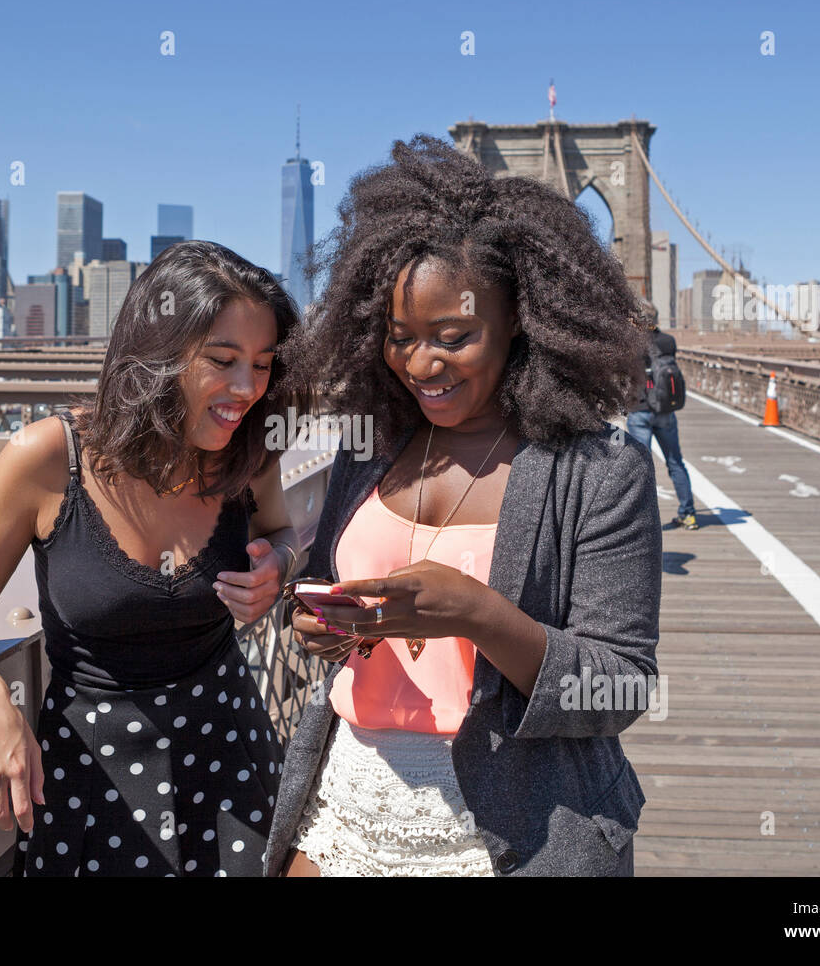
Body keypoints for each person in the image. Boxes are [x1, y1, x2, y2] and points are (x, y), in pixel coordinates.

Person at [262, 134, 663, 876]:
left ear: (521, 322)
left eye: (453, 336)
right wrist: (316, 623)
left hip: (517, 824)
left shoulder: (600, 473)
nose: (421, 364)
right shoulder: (371, 448)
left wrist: (476, 615)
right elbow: (317, 589)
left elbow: (621, 683)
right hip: (347, 802)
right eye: (400, 337)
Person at [0, 240, 311, 876]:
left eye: (263, 364)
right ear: (159, 355)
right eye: (222, 359)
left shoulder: (247, 452)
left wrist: (281, 566)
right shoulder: (47, 458)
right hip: (93, 774)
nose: (246, 389)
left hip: (232, 753)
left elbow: (284, 530)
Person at [625, 308, 698, 530]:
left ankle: (643, 521)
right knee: (675, 462)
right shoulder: (668, 341)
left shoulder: (630, 343)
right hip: (665, 410)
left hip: (639, 409)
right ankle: (689, 513)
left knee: (641, 467)